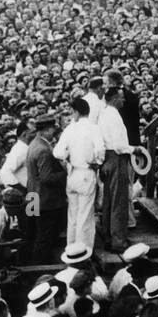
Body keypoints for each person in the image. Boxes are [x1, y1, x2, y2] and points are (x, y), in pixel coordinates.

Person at [53, 97, 105, 254]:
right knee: (85, 215)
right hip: (86, 172)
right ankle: (83, 252)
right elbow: (100, 151)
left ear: (76, 112)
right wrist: (97, 162)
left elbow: (57, 152)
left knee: (73, 215)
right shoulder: (93, 128)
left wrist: (68, 157)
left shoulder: (70, 129)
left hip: (73, 173)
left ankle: (71, 249)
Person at [25, 112, 67, 263]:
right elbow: (46, 177)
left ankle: (31, 261)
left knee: (33, 232)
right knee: (45, 236)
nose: (53, 133)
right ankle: (39, 266)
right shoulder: (43, 149)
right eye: (51, 130)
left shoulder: (33, 143)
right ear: (44, 130)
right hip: (45, 200)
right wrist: (65, 173)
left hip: (32, 196)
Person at [98, 86, 135, 254]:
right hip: (116, 158)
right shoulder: (113, 116)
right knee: (119, 201)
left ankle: (108, 236)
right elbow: (120, 146)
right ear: (114, 99)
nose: (124, 100)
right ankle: (119, 241)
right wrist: (135, 149)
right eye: (121, 98)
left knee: (108, 201)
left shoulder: (105, 114)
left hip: (107, 159)